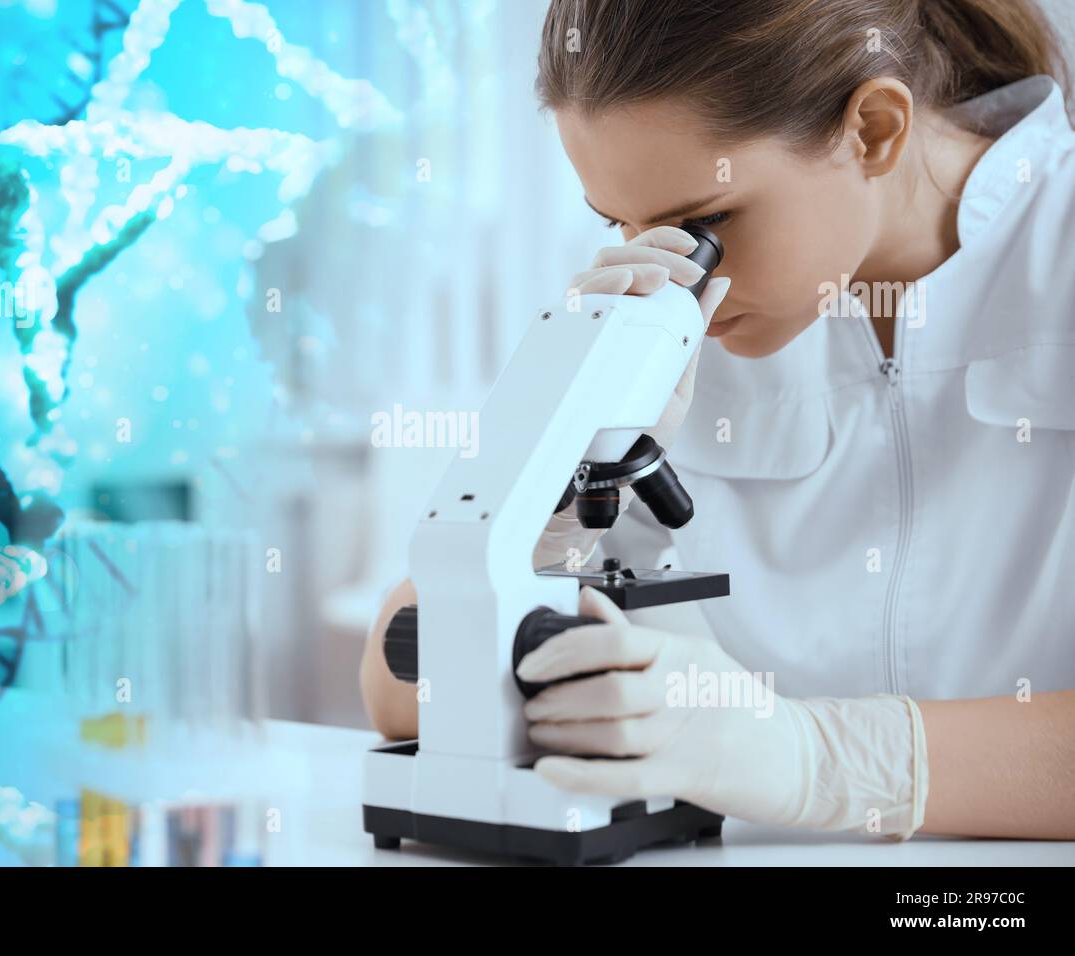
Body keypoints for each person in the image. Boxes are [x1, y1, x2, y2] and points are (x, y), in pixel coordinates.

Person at [360, 0, 1075, 840]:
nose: (678, 280)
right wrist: (559, 456)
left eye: (706, 225)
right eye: (618, 223)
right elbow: (398, 687)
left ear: (873, 129)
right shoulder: (680, 324)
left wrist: (817, 758)